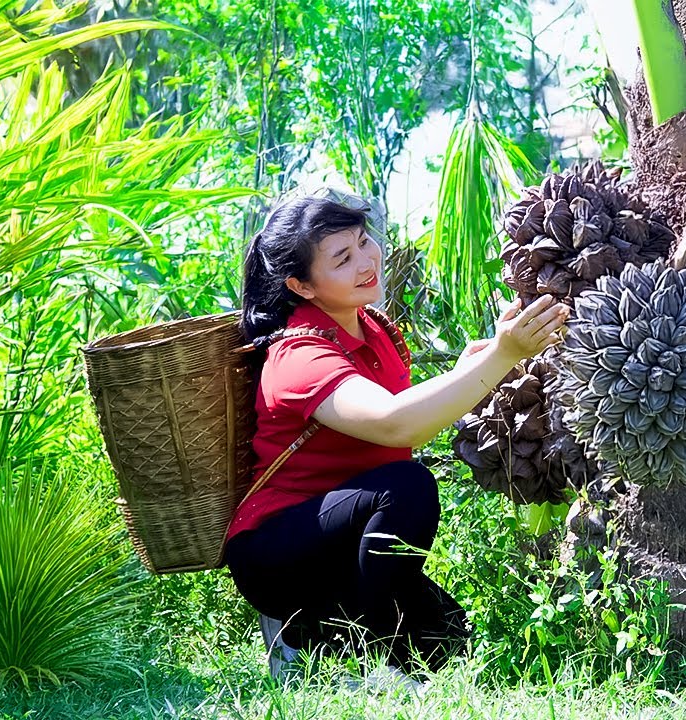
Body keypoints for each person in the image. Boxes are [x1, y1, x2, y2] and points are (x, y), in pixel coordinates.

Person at [224, 192, 568, 683]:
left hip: (341, 534)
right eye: (343, 259)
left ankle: (317, 638)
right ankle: (363, 655)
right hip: (277, 552)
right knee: (408, 485)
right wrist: (502, 357)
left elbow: (399, 419)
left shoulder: (373, 328)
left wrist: (481, 360)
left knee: (449, 636)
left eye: (364, 243)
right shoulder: (299, 356)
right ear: (300, 285)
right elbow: (395, 424)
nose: (366, 262)